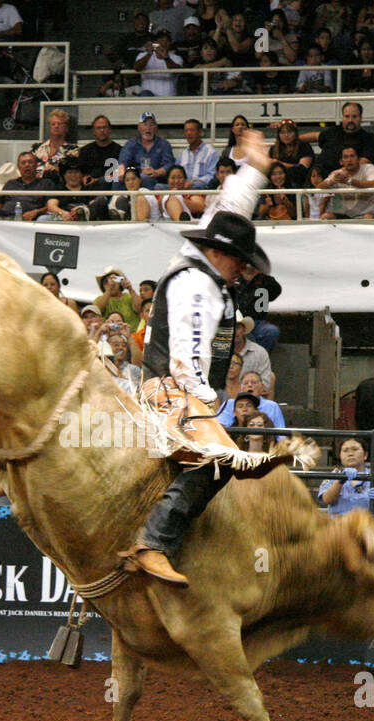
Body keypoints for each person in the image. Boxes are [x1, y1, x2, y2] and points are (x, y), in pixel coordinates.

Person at [118, 129, 273, 585]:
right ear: (217, 254)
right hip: (171, 389)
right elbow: (187, 358)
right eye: (238, 261)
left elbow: (228, 208)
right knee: (217, 458)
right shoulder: (200, 287)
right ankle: (154, 543)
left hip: (165, 384)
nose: (243, 269)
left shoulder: (195, 259)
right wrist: (208, 406)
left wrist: (254, 170)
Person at [318, 437, 374, 515]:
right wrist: (340, 481)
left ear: (365, 455)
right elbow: (326, 500)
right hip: (339, 524)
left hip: (367, 524)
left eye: (355, 449)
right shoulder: (333, 475)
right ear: (340, 456)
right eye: (345, 450)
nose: (350, 454)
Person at [118, 112, 175, 189]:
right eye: (145, 124)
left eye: (151, 125)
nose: (148, 128)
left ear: (156, 128)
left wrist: (157, 172)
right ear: (139, 127)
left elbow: (169, 165)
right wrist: (123, 171)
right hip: (134, 176)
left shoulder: (164, 144)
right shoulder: (131, 144)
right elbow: (124, 161)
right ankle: (117, 200)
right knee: (116, 178)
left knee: (145, 178)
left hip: (157, 178)